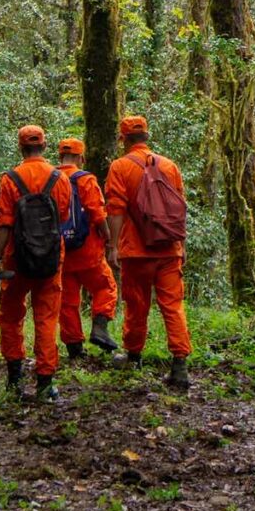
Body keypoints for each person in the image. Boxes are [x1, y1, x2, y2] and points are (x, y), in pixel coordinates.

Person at [104, 114, 192, 390]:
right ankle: (179, 365)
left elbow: (115, 210)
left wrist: (113, 245)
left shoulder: (120, 167)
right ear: (146, 136)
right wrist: (182, 244)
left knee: (137, 305)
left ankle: (133, 356)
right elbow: (179, 208)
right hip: (169, 248)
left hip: (136, 251)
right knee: (173, 306)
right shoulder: (169, 166)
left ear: (124, 139)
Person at [0, 124, 71, 402]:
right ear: (45, 146)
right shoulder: (59, 179)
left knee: (11, 317)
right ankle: (45, 385)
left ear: (21, 147)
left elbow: (4, 225)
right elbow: (62, 218)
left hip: (16, 260)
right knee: (47, 319)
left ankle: (15, 381)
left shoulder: (10, 179)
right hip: (51, 259)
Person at [54, 137, 118, 362]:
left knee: (67, 300)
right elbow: (98, 215)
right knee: (105, 287)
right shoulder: (86, 179)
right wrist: (110, 240)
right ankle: (100, 326)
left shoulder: (49, 179)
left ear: (60, 156)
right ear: (81, 157)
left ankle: (74, 349)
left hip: (60, 252)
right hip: (88, 251)